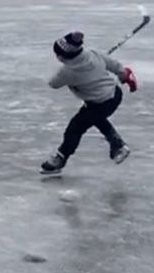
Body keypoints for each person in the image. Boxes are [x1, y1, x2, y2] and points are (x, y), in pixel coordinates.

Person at [40, 31, 138, 174]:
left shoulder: (67, 71)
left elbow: (53, 84)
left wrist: (64, 71)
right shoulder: (93, 54)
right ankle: (117, 146)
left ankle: (60, 159)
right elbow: (115, 65)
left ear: (64, 56)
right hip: (114, 94)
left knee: (75, 128)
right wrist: (122, 73)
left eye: (58, 54)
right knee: (96, 119)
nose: (57, 57)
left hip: (99, 103)